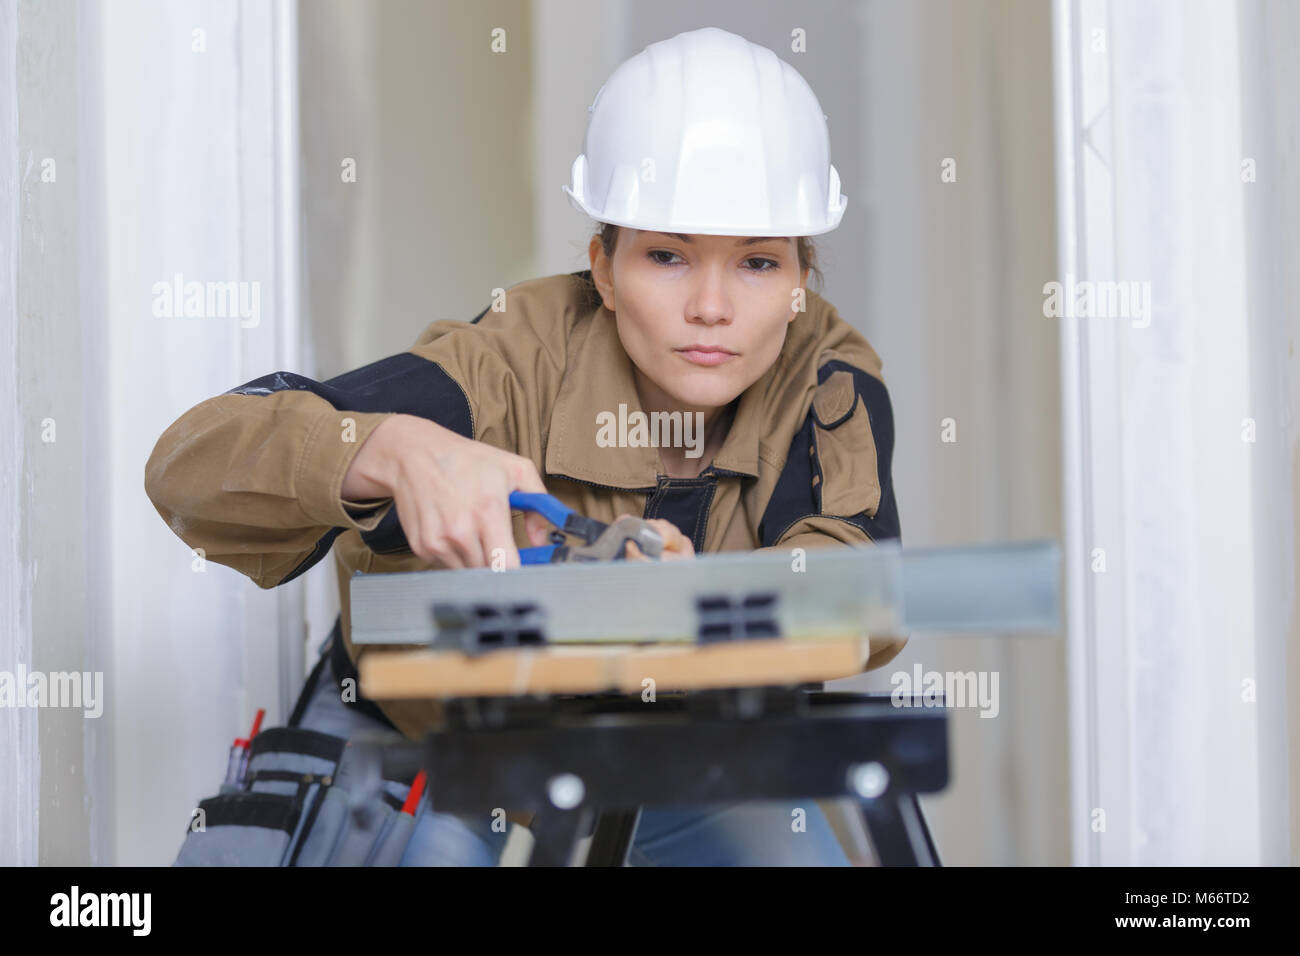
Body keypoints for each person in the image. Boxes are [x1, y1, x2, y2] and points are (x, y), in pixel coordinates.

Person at [145, 25, 903, 865]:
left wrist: (691, 602)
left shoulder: (825, 374)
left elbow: (856, 580)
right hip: (428, 731)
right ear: (604, 270)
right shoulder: (513, 354)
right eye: (666, 255)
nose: (712, 308)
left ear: (802, 280)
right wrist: (392, 451)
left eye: (758, 263)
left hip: (676, 744)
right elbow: (193, 461)